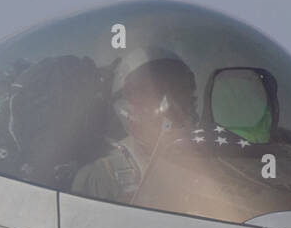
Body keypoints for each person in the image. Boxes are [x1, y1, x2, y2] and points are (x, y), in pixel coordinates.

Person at [70, 48, 198, 205]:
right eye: (153, 92)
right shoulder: (103, 175)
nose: (168, 104)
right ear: (126, 101)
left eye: (177, 90)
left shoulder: (207, 159)